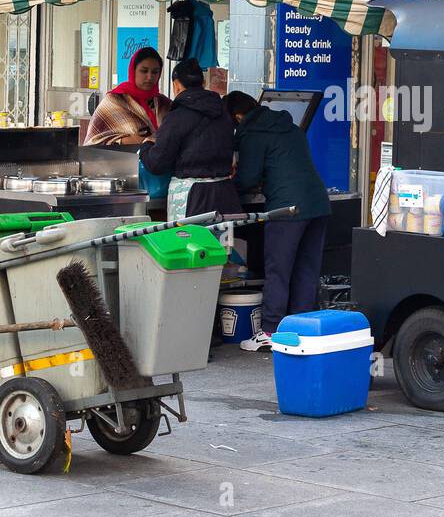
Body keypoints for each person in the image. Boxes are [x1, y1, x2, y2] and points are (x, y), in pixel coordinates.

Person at [223, 90, 332, 351]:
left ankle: (270, 331)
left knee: (278, 271)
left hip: (287, 209)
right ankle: (301, 331)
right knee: (306, 271)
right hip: (317, 203)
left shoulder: (252, 133)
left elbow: (248, 178)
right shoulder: (290, 127)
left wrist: (228, 187)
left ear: (238, 116)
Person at [140, 58, 241, 220]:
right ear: (202, 83)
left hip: (192, 199)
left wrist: (145, 147)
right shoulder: (223, 113)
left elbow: (157, 163)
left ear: (177, 85)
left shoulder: (177, 116)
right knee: (220, 244)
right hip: (225, 195)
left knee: (188, 244)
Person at [84, 47, 171, 146]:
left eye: (155, 72)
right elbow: (93, 143)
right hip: (122, 160)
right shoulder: (115, 100)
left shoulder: (165, 104)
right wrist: (128, 140)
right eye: (144, 71)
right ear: (133, 71)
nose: (150, 77)